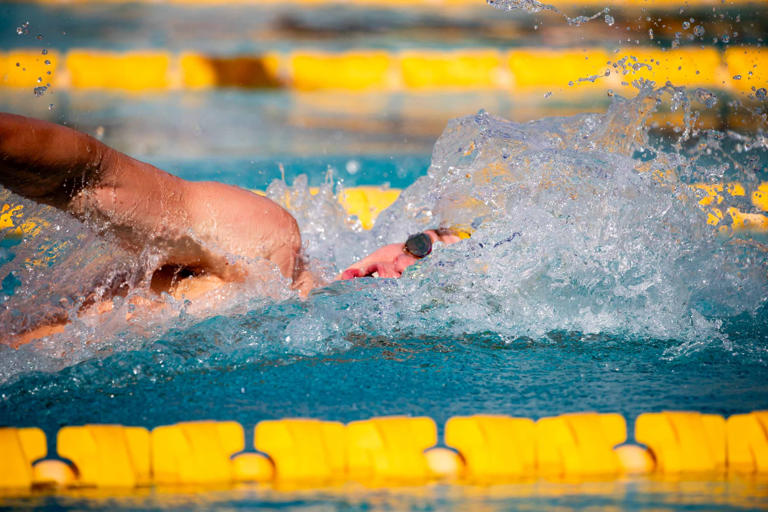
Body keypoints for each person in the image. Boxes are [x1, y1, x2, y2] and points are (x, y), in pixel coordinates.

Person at [0, 113, 460, 346]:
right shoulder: (267, 239)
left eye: (431, 283)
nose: (400, 272)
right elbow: (92, 174)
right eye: (420, 247)